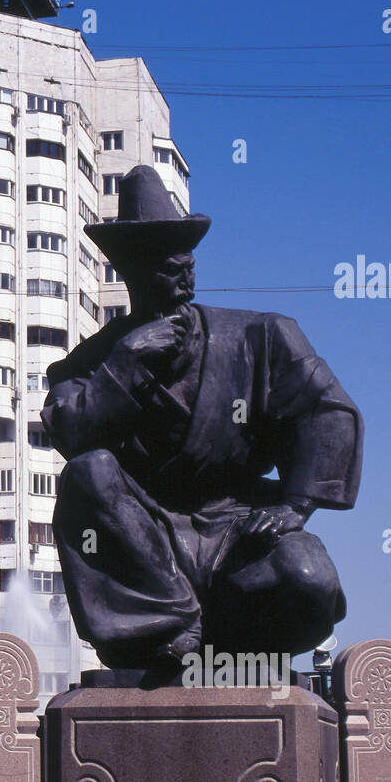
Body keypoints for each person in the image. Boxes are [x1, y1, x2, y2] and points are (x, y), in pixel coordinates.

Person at [43, 165, 362, 681]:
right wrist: (124, 365)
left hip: (240, 528)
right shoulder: (90, 364)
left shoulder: (260, 337)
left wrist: (296, 504)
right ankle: (171, 625)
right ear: (132, 274)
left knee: (308, 582)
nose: (186, 274)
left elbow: (327, 409)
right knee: (89, 472)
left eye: (188, 262)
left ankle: (221, 637)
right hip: (144, 537)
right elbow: (68, 435)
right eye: (169, 267)